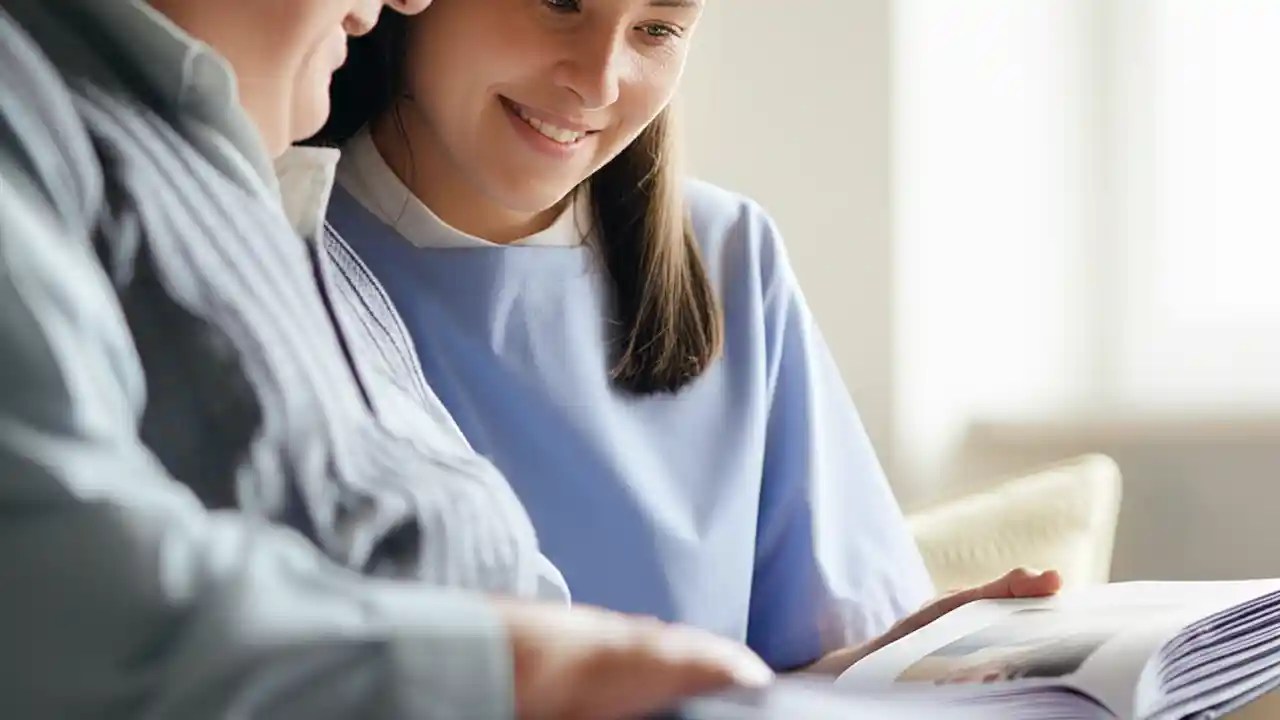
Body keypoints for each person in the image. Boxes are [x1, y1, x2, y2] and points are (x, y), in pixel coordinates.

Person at [0, 0, 778, 717]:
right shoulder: (51, 125)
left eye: (658, 27)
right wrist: (548, 668)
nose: (409, 0)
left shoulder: (297, 242)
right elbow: (56, 597)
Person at [312, 0, 1062, 675]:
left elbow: (798, 671)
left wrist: (906, 661)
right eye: (560, 3)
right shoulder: (272, 257)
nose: (599, 83)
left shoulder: (730, 256)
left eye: (657, 29)